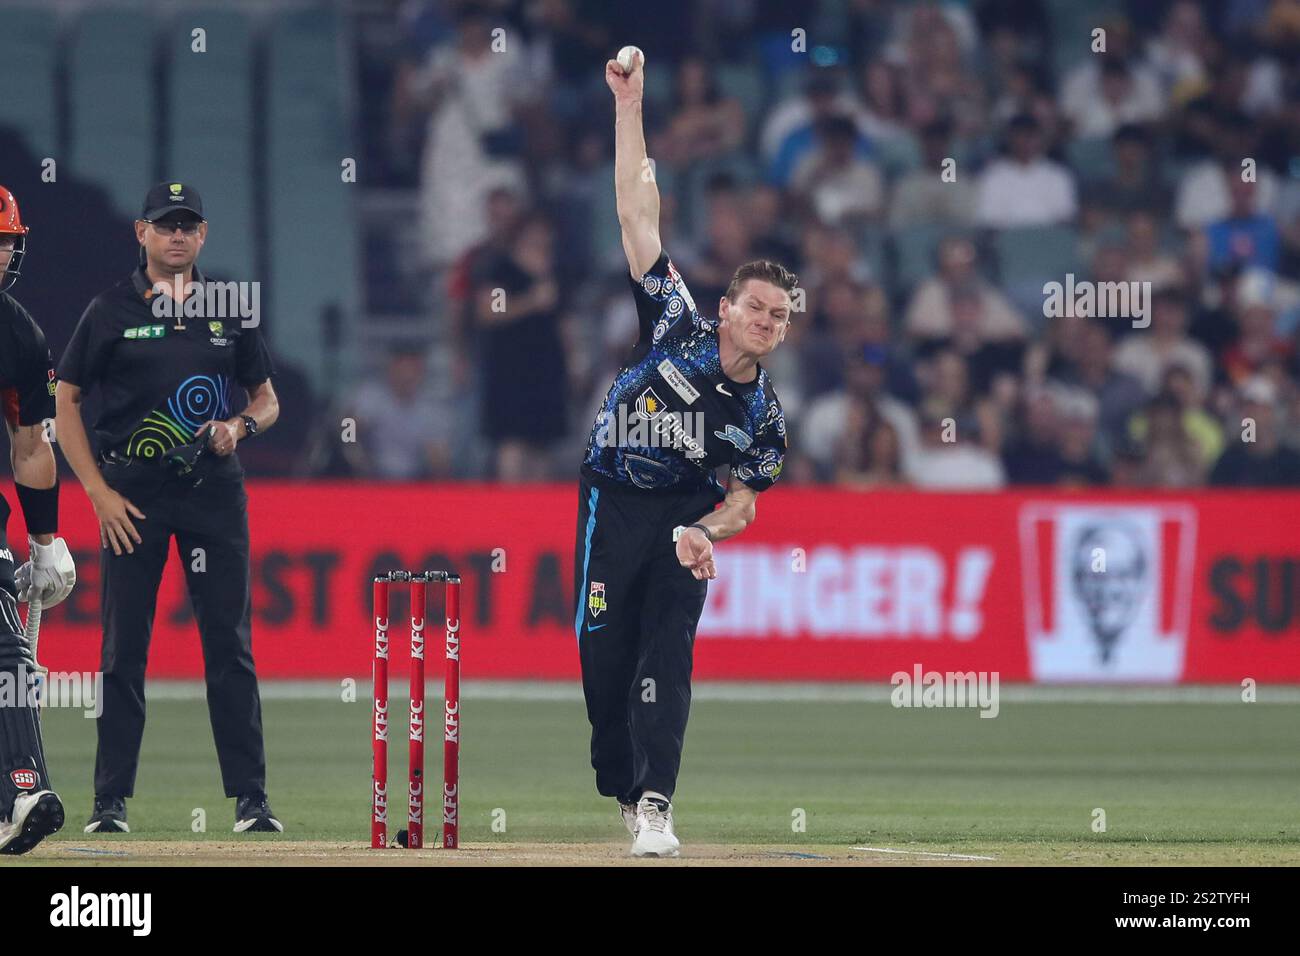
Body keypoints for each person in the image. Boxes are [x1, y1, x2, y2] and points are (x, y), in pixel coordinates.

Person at [575, 51, 791, 858]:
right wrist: (629, 104)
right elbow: (638, 214)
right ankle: (622, 789)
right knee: (605, 673)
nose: (768, 323)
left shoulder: (764, 416)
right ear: (728, 309)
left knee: (667, 654)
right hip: (610, 501)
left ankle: (657, 806)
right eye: (757, 309)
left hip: (680, 525)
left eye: (781, 316)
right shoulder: (676, 325)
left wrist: (712, 531)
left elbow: (746, 498)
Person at [54, 182, 282, 834]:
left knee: (229, 647)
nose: (176, 235)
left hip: (213, 488)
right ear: (141, 233)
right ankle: (109, 804)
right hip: (133, 496)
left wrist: (239, 427)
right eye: (165, 225)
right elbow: (66, 401)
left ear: (203, 235)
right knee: (124, 650)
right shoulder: (109, 311)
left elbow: (266, 398)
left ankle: (251, 801)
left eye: (188, 225)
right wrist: (97, 493)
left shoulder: (229, 308)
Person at [0, 185, 77, 854]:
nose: (1, 254)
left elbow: (30, 443)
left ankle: (23, 793)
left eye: (7, 242)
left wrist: (45, 541)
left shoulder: (19, 333)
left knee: (7, 649)